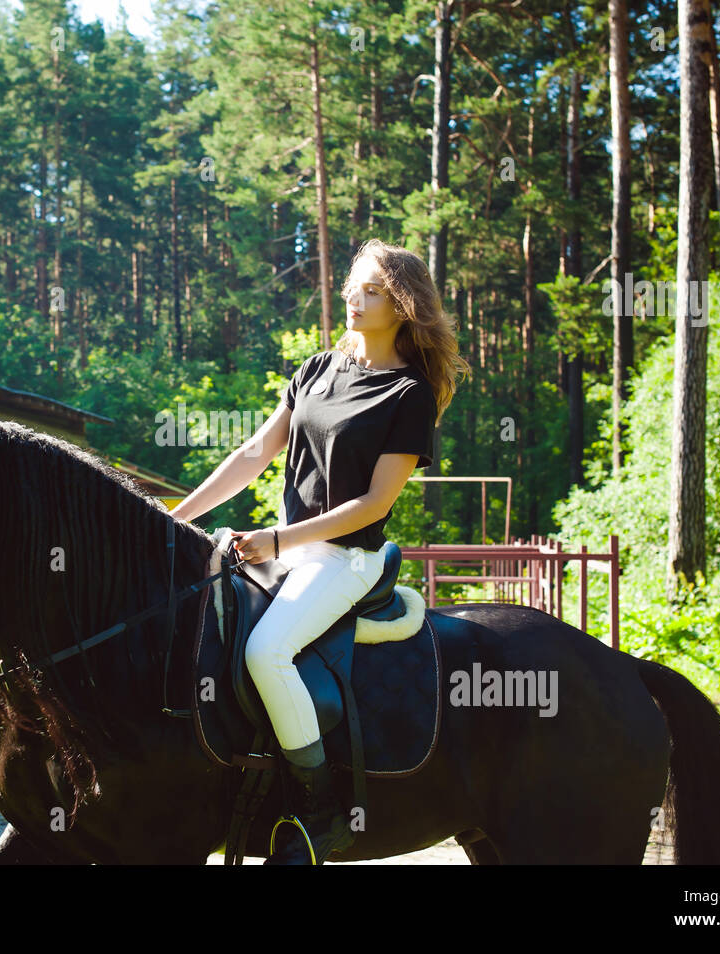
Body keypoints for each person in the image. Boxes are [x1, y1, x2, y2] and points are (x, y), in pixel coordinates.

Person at [170, 238, 470, 864]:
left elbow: (374, 506)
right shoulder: (314, 370)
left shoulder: (408, 396)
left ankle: (320, 810)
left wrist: (278, 540)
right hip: (282, 553)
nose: (354, 301)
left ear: (405, 305)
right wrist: (175, 518)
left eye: (373, 291)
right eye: (353, 287)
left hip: (343, 561)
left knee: (266, 651)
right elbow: (252, 456)